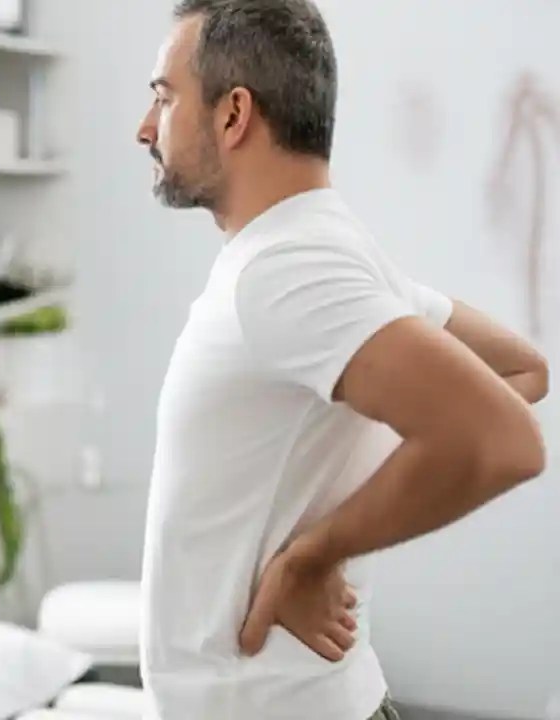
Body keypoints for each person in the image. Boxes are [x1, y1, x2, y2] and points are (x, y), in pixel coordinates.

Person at [135, 2, 549, 719]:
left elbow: (505, 434)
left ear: (234, 114)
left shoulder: (290, 272)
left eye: (164, 98)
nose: (146, 127)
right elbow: (525, 371)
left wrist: (313, 555)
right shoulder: (323, 250)